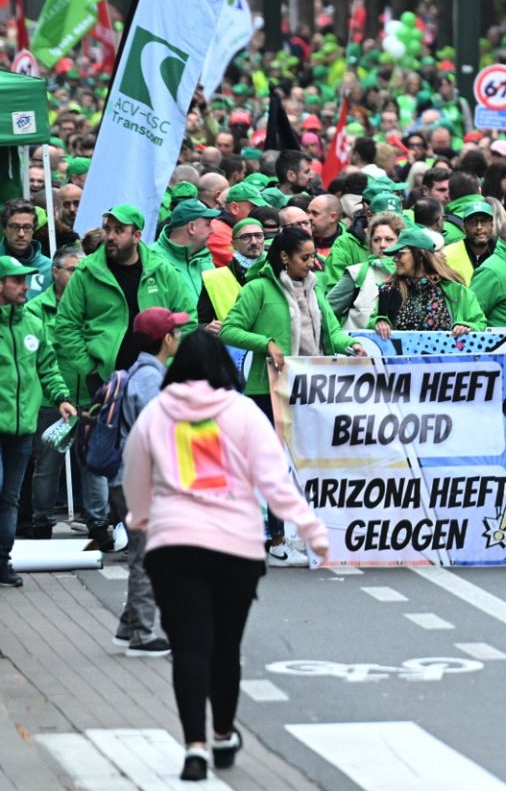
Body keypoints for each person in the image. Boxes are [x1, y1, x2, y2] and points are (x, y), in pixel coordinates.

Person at [123, 331, 330, 781]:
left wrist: (141, 518)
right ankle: (222, 735)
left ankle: (194, 746)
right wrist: (310, 526)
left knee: (190, 647)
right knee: (225, 648)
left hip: (174, 544)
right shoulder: (242, 412)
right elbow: (274, 479)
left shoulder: (157, 413)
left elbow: (134, 472)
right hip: (236, 546)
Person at [52, 205, 197, 549]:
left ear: (137, 235)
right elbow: (66, 326)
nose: (111, 236)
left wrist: (175, 363)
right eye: (107, 228)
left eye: (119, 229)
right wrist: (90, 366)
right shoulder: (88, 272)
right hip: (108, 381)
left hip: (155, 378)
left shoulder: (160, 269)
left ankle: (152, 527)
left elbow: (188, 319)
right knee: (111, 453)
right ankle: (114, 523)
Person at [220, 227, 367, 562]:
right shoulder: (258, 289)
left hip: (308, 391)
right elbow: (229, 329)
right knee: (273, 464)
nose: (312, 262)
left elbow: (332, 331)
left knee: (304, 464)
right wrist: (265, 343)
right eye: (305, 257)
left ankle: (296, 532)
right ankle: (274, 539)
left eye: (314, 255)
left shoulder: (314, 289)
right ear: (284, 257)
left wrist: (349, 345)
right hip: (266, 390)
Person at [108, 306, 183, 654]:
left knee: (144, 552)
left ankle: (127, 627)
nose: (180, 336)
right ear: (166, 339)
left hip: (128, 478)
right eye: (176, 331)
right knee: (148, 559)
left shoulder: (137, 372)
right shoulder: (151, 380)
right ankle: (141, 635)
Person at [0, 253, 75, 586]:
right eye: (16, 281)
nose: (24, 286)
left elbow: (47, 365)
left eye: (25, 280)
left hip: (23, 429)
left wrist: (61, 398)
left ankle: (2, 562)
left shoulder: (32, 322)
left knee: (10, 497)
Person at [372, 226, 482, 337]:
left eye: (400, 254)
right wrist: (379, 322)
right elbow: (372, 326)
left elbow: (479, 324)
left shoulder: (457, 291)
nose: (395, 259)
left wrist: (467, 327)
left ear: (419, 256)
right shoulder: (389, 291)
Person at [321, 212, 401, 329]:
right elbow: (327, 311)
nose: (382, 245)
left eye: (389, 239)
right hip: (358, 344)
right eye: (376, 240)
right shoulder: (358, 272)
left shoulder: (411, 275)